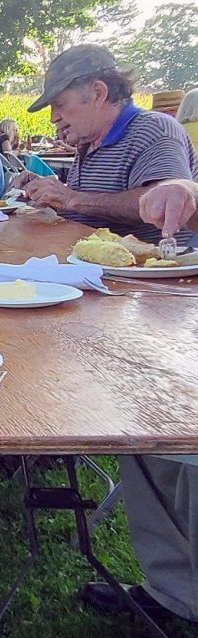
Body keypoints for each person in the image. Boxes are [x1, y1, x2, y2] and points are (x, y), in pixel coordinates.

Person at [81, 178, 198, 624]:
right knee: (144, 415)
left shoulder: (154, 140)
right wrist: (186, 190)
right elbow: (180, 203)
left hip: (166, 305)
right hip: (165, 308)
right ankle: (175, 593)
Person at [11, 44, 198, 243]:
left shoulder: (154, 128)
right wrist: (49, 192)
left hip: (144, 260)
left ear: (98, 93)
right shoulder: (89, 141)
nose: (53, 117)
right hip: (85, 256)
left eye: (59, 104)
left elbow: (165, 202)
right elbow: (88, 202)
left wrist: (71, 198)